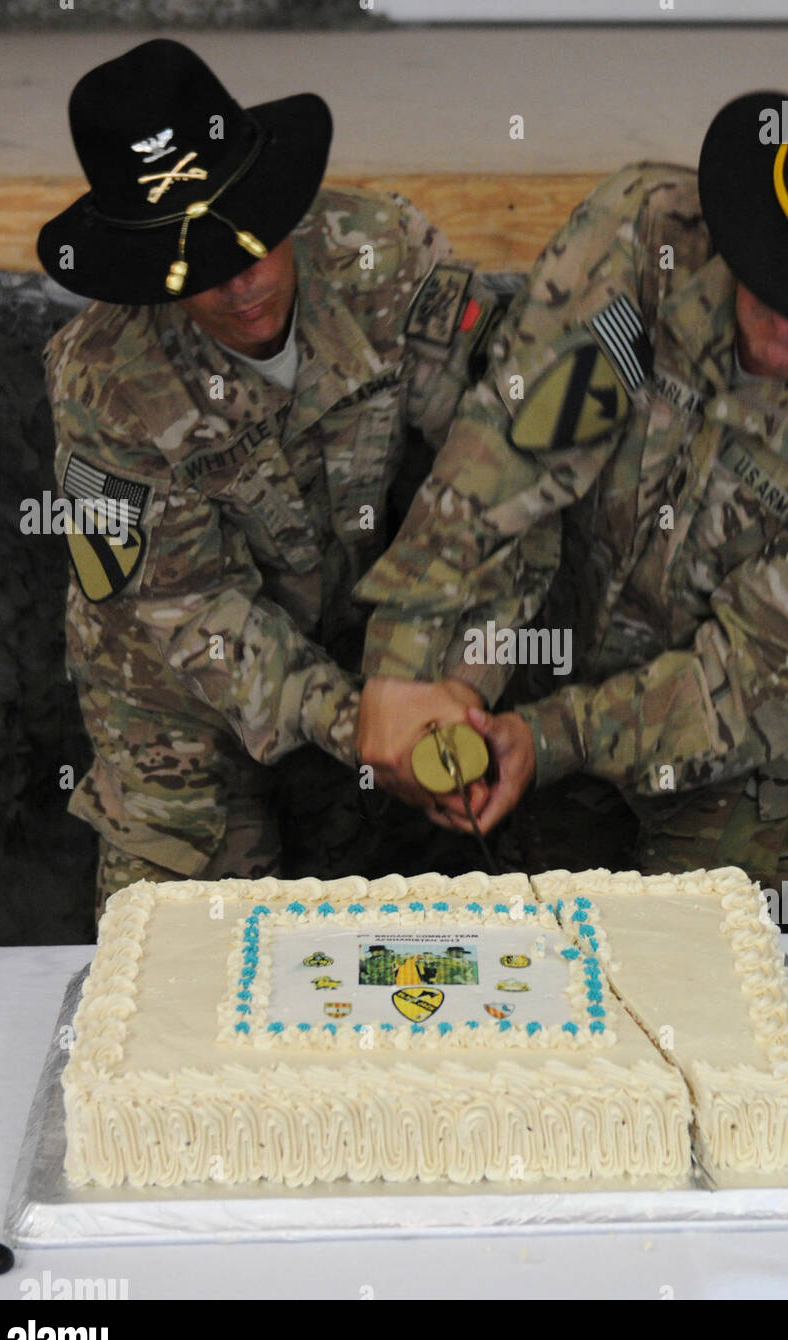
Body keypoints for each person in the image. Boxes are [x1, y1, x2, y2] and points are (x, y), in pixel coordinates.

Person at [353, 70, 788, 892]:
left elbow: (753, 676)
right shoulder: (643, 236)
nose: (784, 335)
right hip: (542, 658)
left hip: (734, 761)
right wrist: (419, 671)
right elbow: (508, 466)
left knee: (697, 998)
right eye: (775, 281)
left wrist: (549, 739)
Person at [37, 40, 508, 919]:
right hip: (179, 700)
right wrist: (360, 719)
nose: (238, 280)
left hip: (371, 637)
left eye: (247, 234)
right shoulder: (103, 378)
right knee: (187, 979)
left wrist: (456, 687)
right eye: (195, 262)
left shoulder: (392, 259)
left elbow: (496, 473)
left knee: (385, 953)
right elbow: (190, 609)